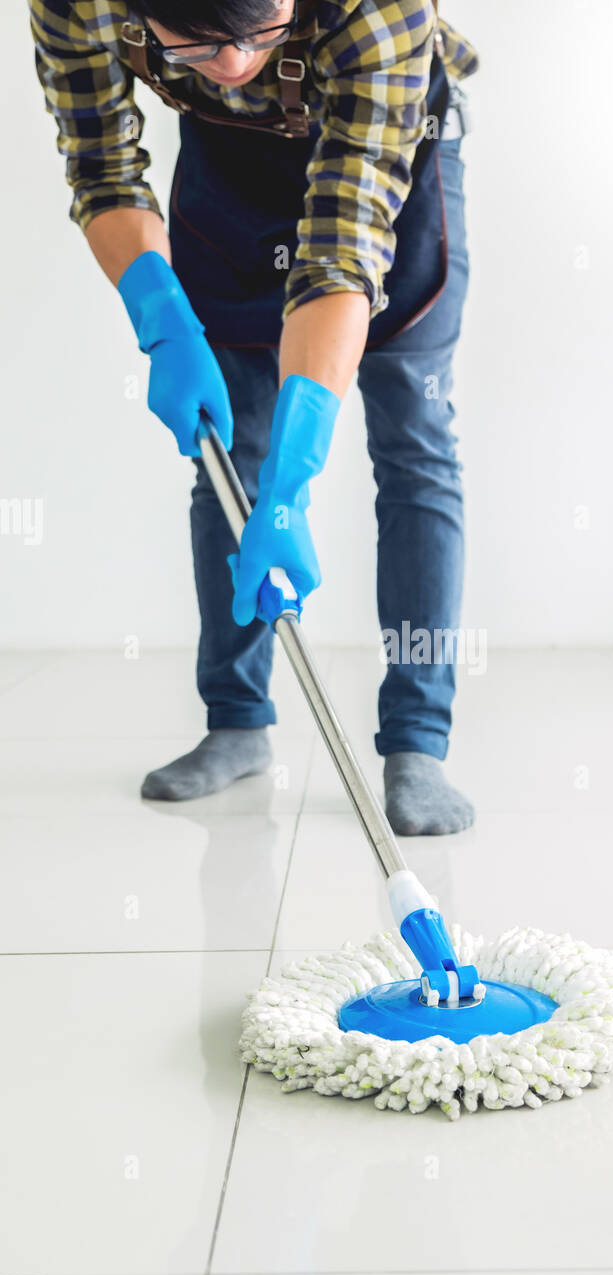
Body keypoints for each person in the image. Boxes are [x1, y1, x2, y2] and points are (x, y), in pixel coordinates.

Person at [29, 0, 478, 834]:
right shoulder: (76, 3)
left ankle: (417, 742)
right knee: (228, 451)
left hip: (390, 153)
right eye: (197, 37)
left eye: (260, 27)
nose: (236, 62)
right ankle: (236, 721)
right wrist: (160, 316)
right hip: (228, 160)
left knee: (414, 443)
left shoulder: (380, 9)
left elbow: (340, 248)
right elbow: (101, 166)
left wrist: (296, 479)